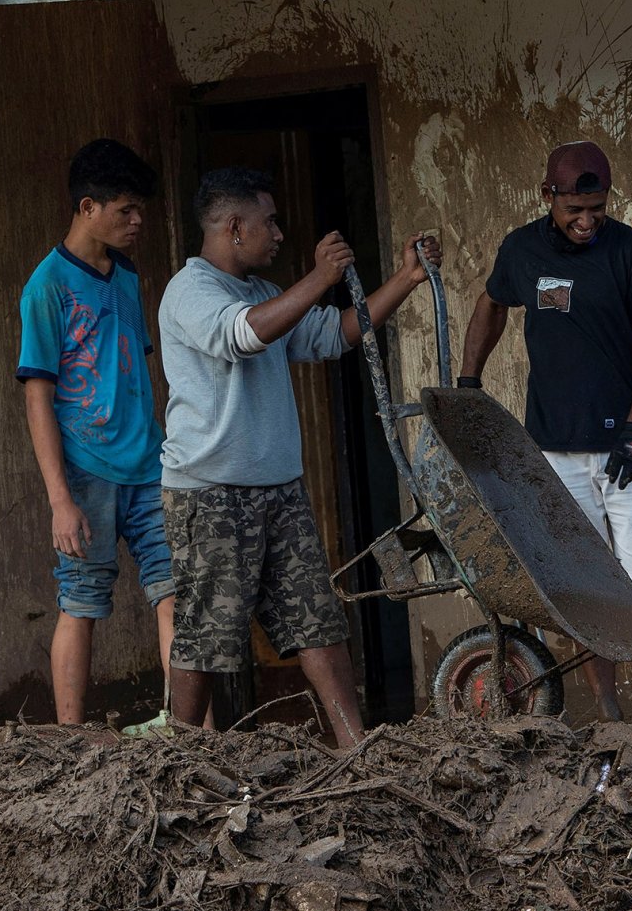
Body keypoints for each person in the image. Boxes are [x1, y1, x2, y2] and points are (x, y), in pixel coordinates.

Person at [158, 167, 442, 748]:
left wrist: (407, 279)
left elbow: (337, 333)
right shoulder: (190, 291)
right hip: (211, 491)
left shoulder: (263, 293)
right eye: (270, 222)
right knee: (207, 631)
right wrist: (319, 276)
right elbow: (242, 336)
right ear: (234, 227)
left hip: (279, 487)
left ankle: (355, 746)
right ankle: (179, 755)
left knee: (316, 619)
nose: (279, 233)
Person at [457, 140, 632, 724]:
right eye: (574, 211)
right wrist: (468, 379)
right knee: (585, 590)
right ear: (548, 198)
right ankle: (607, 711)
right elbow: (491, 304)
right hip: (555, 452)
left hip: (629, 451)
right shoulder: (522, 250)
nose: (587, 222)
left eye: (598, 210)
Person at [16, 139, 176, 725]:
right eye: (126, 211)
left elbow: (139, 368)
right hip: (85, 471)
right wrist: (60, 499)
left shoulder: (128, 277)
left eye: (140, 212)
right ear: (88, 207)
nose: (138, 223)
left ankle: (192, 731)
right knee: (81, 601)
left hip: (152, 466)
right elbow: (38, 398)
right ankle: (70, 743)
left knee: (175, 591)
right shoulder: (47, 287)